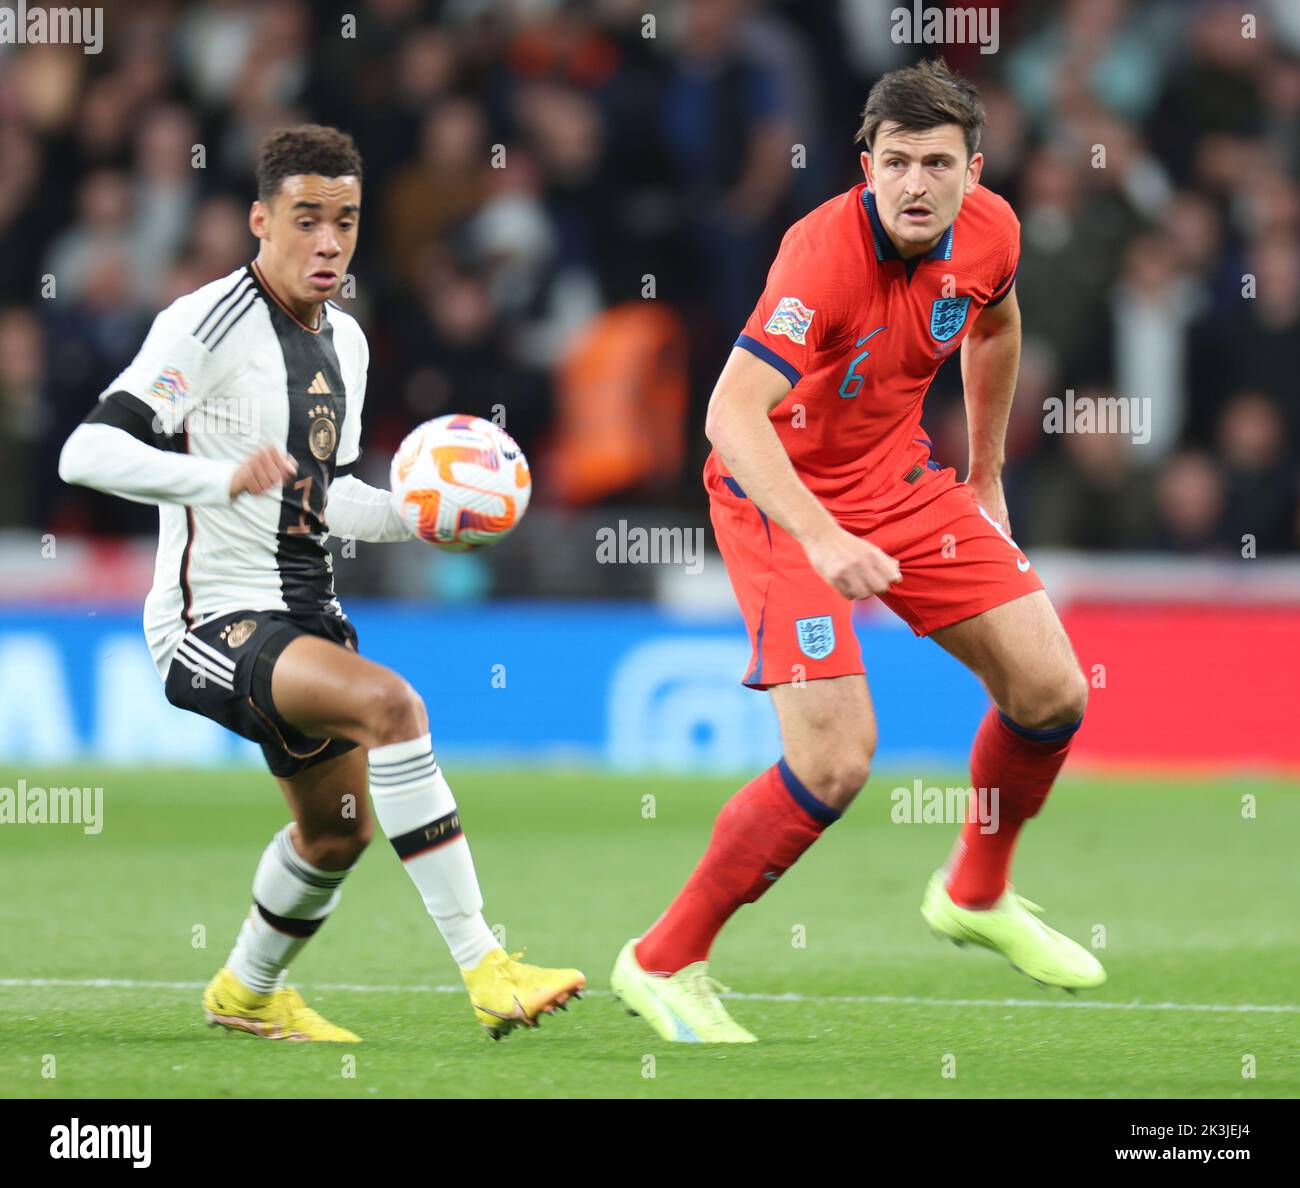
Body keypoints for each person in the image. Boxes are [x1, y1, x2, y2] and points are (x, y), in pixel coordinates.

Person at [610, 60, 1102, 1044]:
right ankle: (661, 961)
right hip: (777, 496)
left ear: (973, 170)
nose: (914, 184)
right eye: (894, 163)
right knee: (834, 762)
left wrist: (987, 472)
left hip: (897, 477)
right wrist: (823, 537)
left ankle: (973, 891)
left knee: (1052, 693)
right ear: (863, 165)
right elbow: (728, 415)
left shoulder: (992, 233)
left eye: (935, 163)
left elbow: (995, 324)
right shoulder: (820, 256)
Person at [59, 124, 583, 1042]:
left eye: (345, 220)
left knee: (338, 833)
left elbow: (326, 496)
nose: (330, 242)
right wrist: (210, 477)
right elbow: (86, 452)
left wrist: (419, 517)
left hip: (305, 615)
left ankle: (246, 994)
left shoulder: (348, 340)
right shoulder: (205, 323)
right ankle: (488, 967)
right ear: (260, 221)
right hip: (208, 620)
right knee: (393, 707)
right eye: (307, 220)